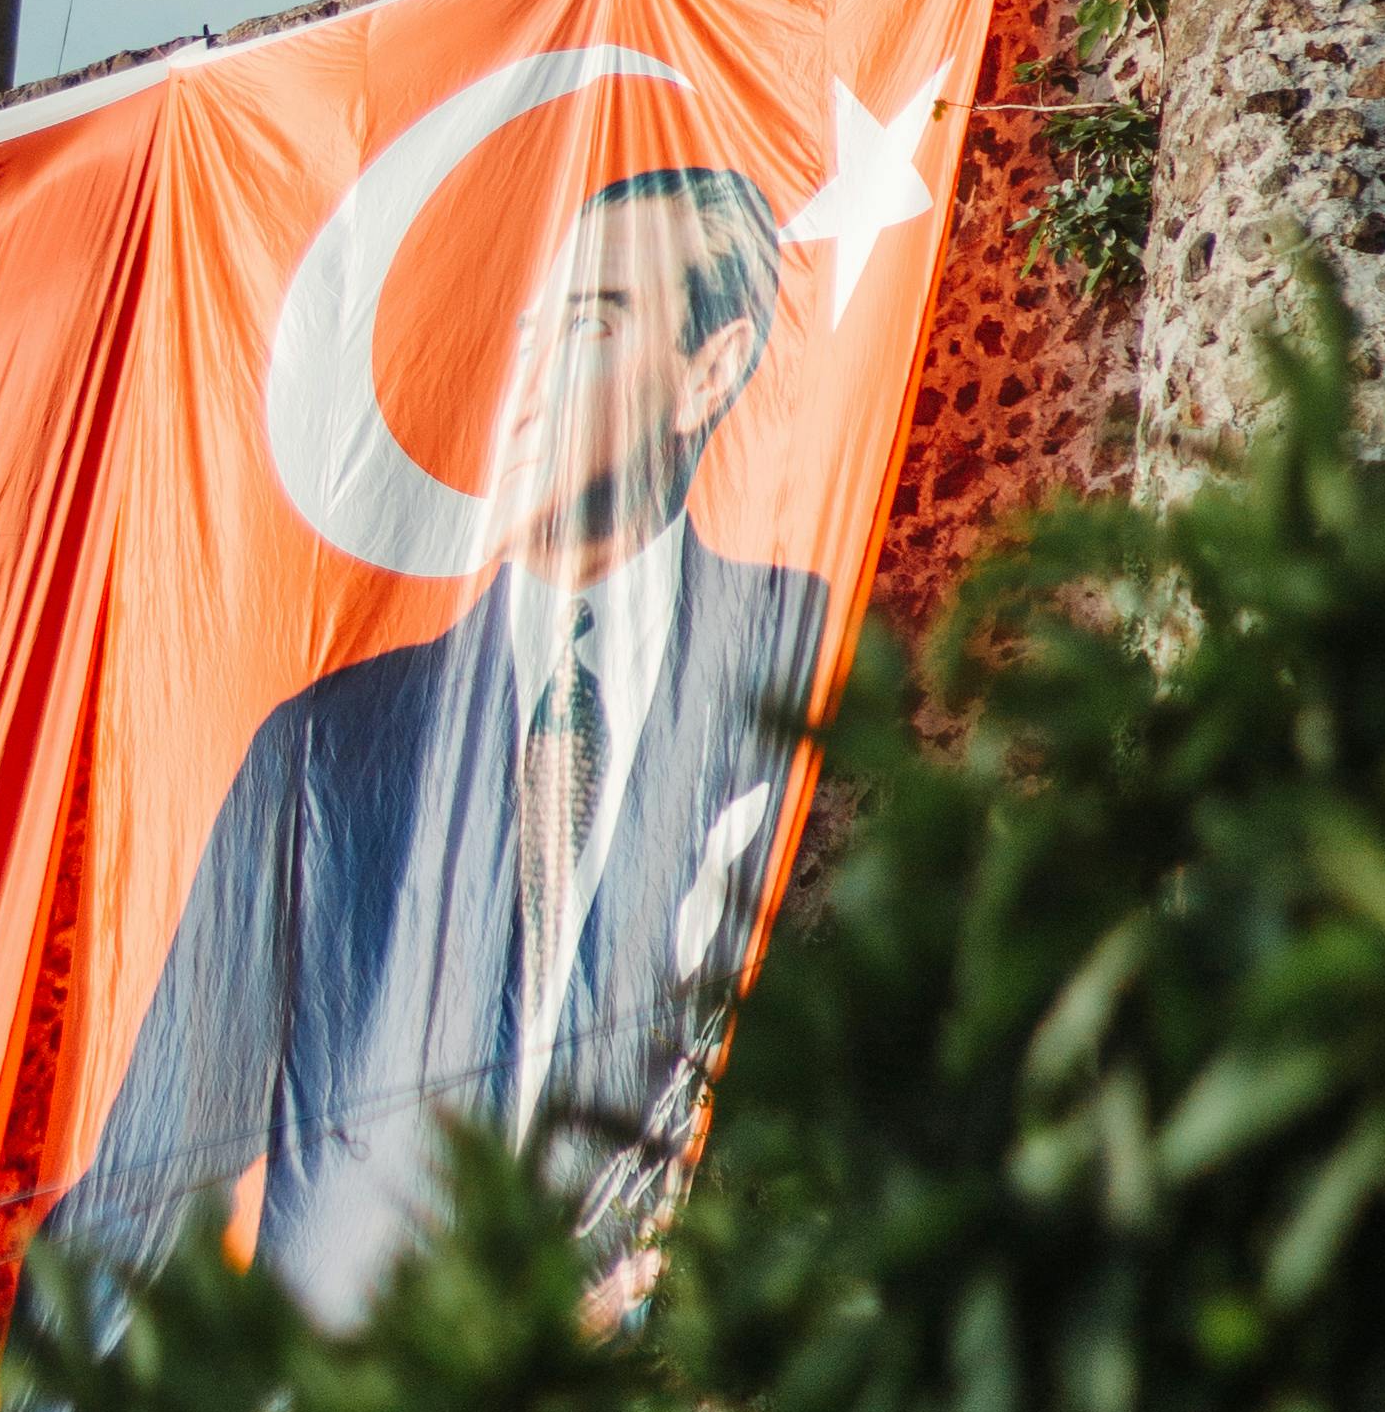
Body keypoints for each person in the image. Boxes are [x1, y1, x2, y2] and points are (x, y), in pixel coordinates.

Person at [40, 162, 824, 1331]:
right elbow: (145, 1191)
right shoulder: (329, 748)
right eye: (523, 335)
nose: (525, 386)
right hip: (358, 1411)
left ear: (707, 372)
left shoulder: (800, 662)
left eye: (589, 325)